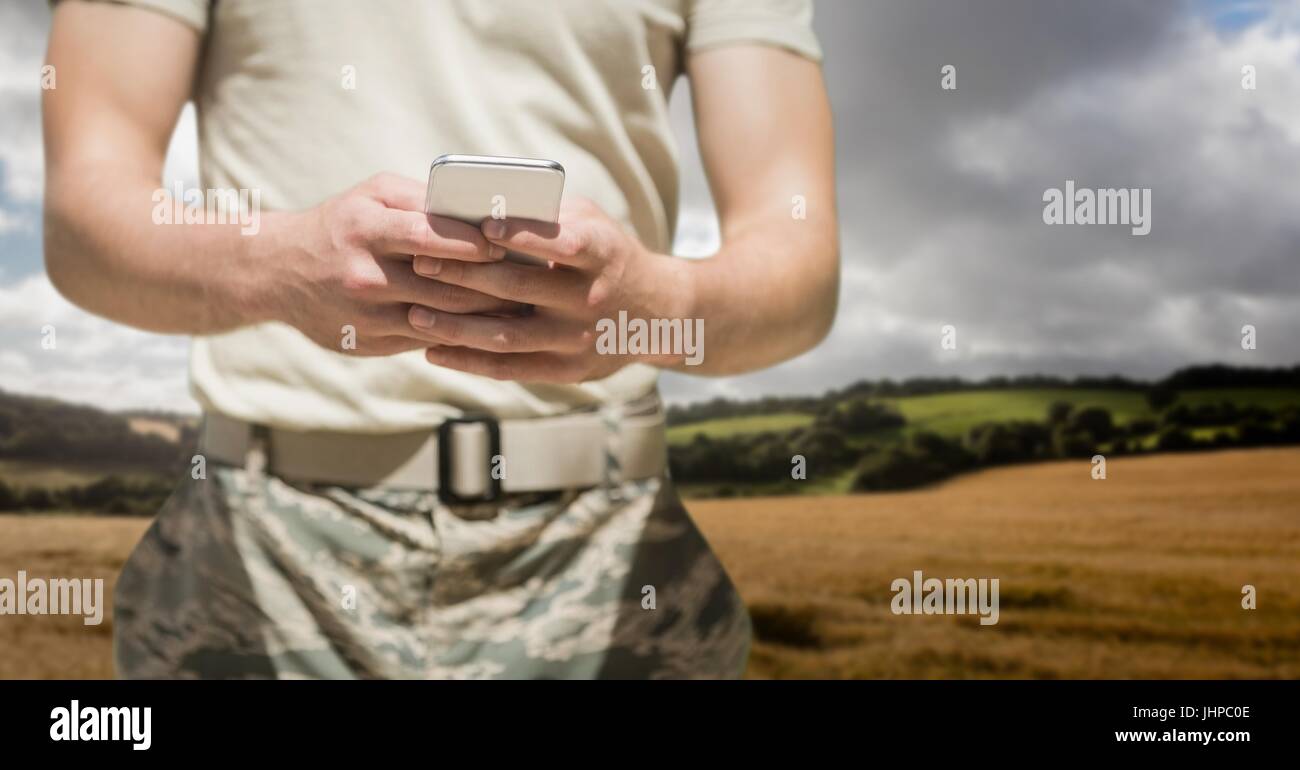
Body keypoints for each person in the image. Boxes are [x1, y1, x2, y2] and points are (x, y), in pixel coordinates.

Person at [42, 0, 839, 679]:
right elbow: (83, 215)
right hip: (258, 567)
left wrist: (657, 302)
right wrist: (271, 264)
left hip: (610, 567)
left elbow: (801, 265)